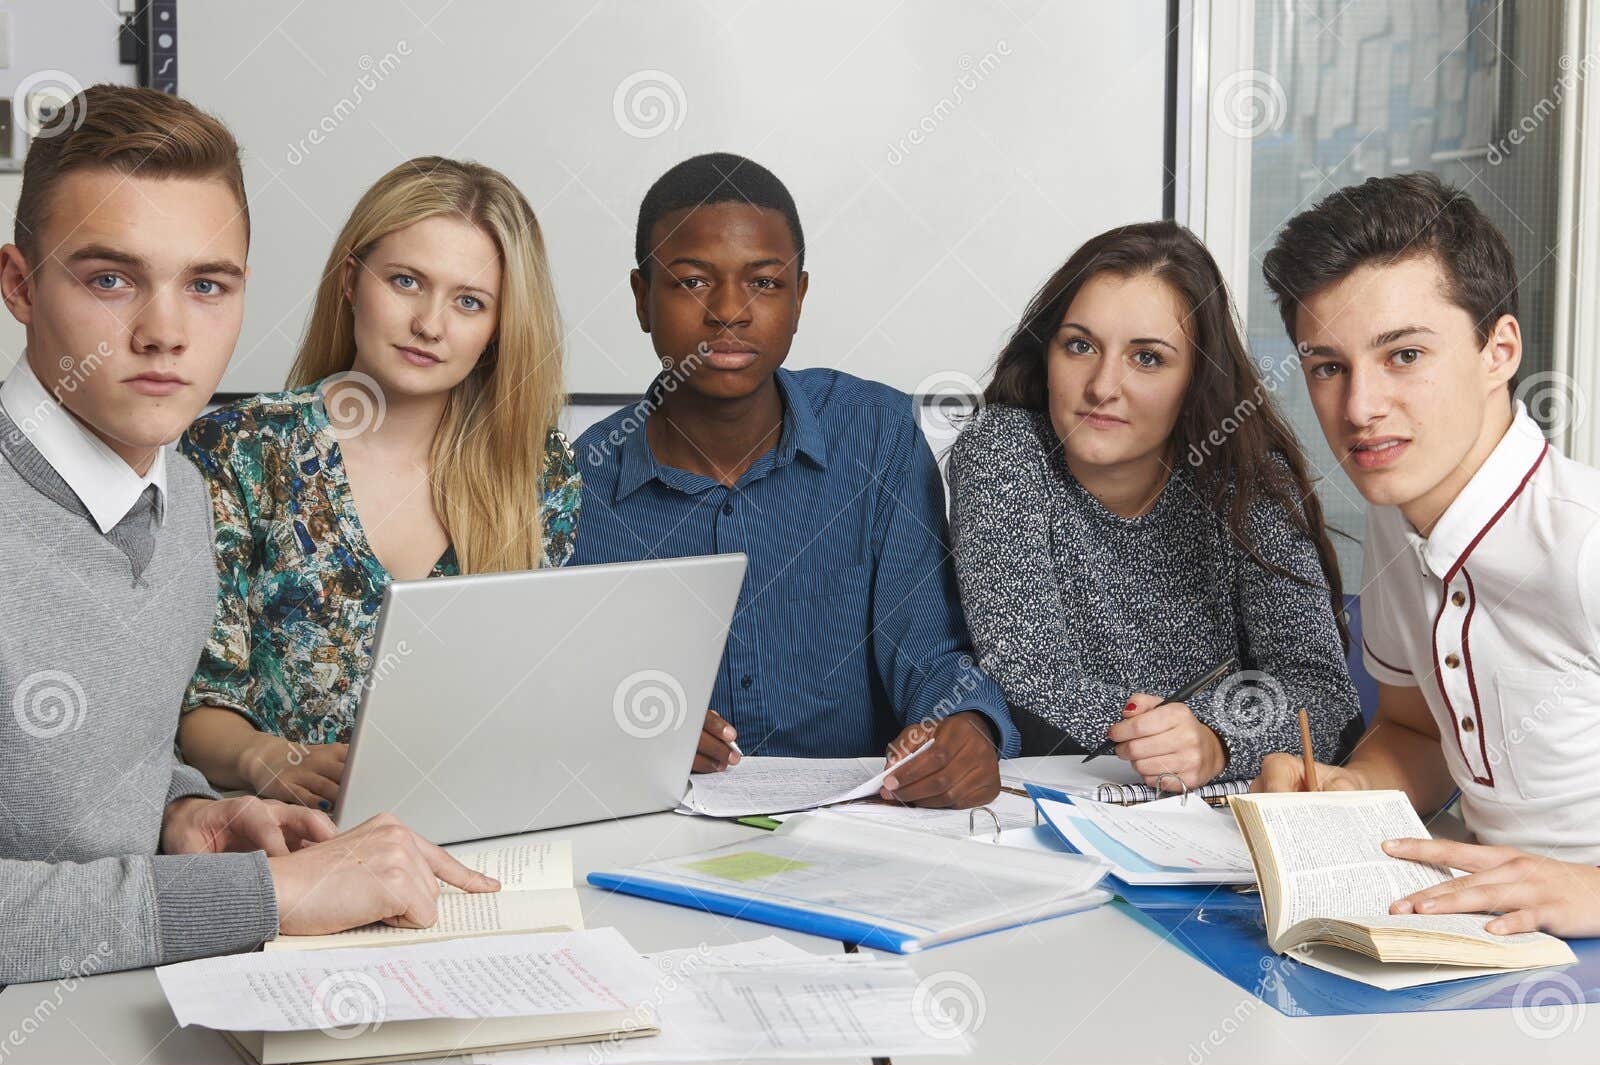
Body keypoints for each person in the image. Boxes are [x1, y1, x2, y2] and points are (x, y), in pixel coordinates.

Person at [0, 85, 495, 985]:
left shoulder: (181, 497)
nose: (165, 332)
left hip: (143, 998)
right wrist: (276, 898)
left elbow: (89, 797)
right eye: (109, 279)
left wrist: (190, 816)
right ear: (19, 286)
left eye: (206, 285)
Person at [572, 152, 1016, 809]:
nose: (729, 311)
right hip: (649, 835)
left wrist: (967, 726)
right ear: (642, 298)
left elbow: (929, 648)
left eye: (764, 283)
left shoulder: (879, 436)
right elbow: (544, 695)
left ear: (800, 296)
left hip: (857, 831)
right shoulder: (571, 483)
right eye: (692, 282)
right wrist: (616, 735)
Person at [1256, 172, 1600, 938]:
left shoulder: (1585, 542)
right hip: (1492, 936)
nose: (1359, 407)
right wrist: (1348, 790)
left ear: (1497, 351)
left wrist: (1593, 891)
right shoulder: (1396, 521)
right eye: (1327, 366)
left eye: (1403, 355)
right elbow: (1415, 731)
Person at [177, 157, 580, 810]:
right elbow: (199, 700)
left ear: (499, 328)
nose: (430, 324)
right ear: (350, 281)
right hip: (289, 843)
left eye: (469, 301)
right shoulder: (240, 450)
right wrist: (262, 756)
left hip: (476, 824)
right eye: (405, 281)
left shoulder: (539, 471)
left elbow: (534, 694)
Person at [948, 221, 1360, 787]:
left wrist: (1215, 740)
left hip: (1218, 818)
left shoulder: (1246, 475)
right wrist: (1159, 734)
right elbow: (1023, 668)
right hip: (1058, 797)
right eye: (1080, 346)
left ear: (1195, 378)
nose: (1101, 386)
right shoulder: (1004, 450)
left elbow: (1322, 692)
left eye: (1147, 358)